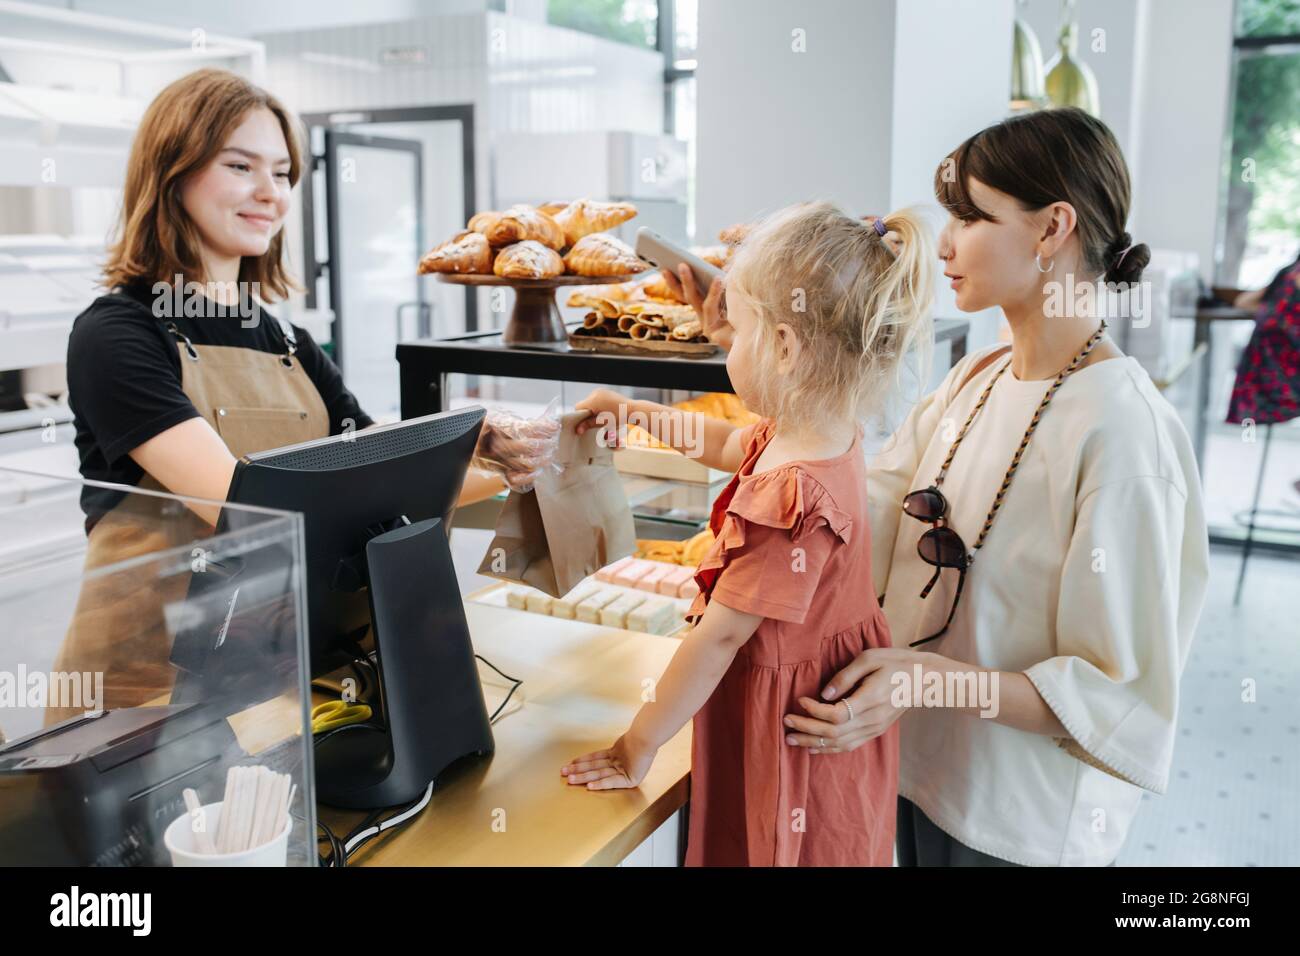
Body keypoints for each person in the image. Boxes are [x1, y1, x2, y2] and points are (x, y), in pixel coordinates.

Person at [665, 107, 1209, 867]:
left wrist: (929, 681)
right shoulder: (978, 378)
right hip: (917, 775)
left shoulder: (1123, 433)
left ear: (1053, 229)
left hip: (1018, 823)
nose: (946, 243)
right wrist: (758, 348)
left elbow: (1116, 693)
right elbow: (862, 508)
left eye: (971, 216)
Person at [53, 68, 551, 719]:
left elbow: (384, 476)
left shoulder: (287, 338)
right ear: (171, 176)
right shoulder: (118, 335)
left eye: (284, 173)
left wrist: (515, 454)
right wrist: (446, 455)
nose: (271, 193)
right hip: (144, 701)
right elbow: (244, 511)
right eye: (240, 166)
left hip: (270, 678)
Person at [561, 200, 935, 865]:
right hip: (808, 700)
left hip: (788, 735)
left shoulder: (791, 496)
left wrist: (637, 744)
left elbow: (721, 636)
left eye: (736, 329)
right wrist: (637, 413)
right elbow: (731, 442)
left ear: (785, 347)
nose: (725, 343)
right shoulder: (817, 435)